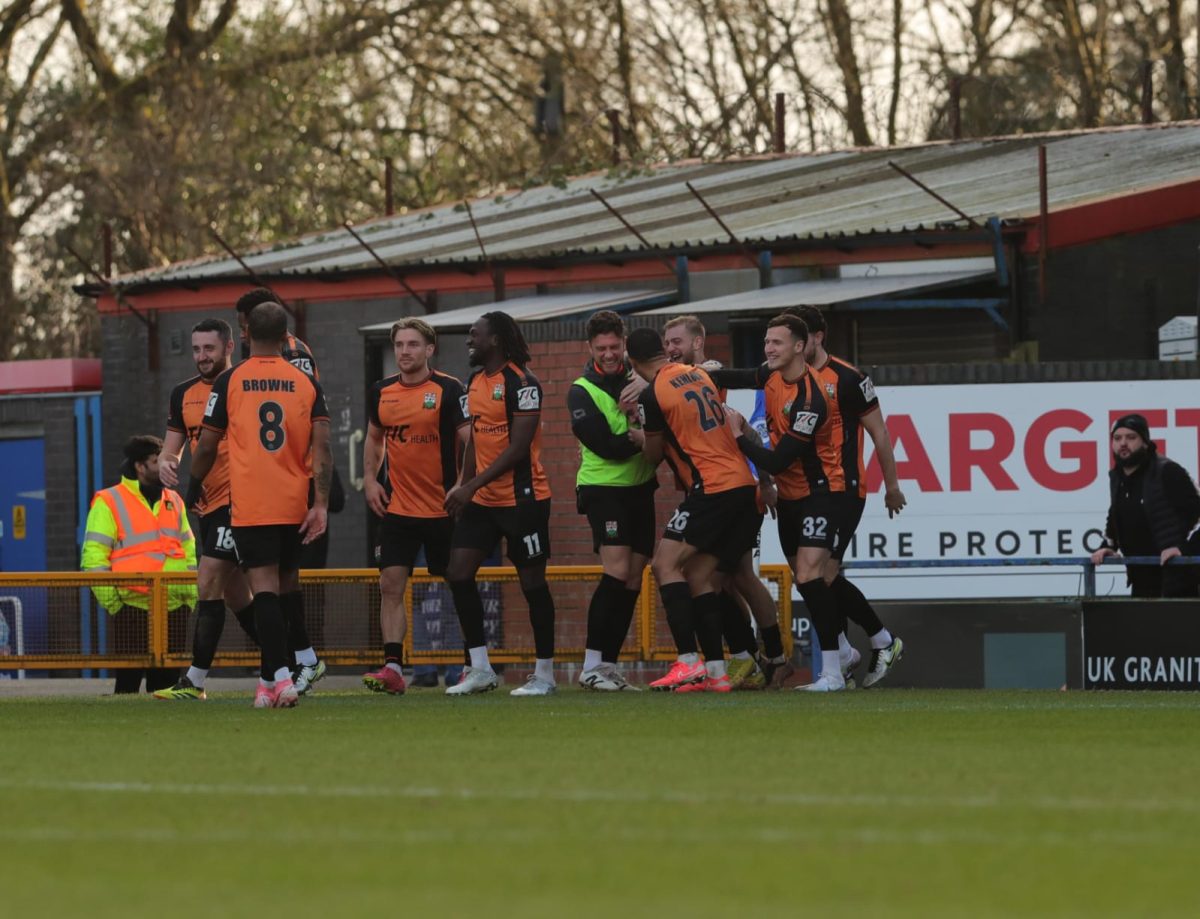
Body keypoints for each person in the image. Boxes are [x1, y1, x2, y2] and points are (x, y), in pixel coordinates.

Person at [190, 301, 333, 708]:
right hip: (294, 501)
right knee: (286, 585)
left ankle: (282, 680)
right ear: (285, 335)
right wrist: (320, 504)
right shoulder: (306, 382)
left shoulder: (230, 381)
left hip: (252, 502)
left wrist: (193, 484)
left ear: (247, 333)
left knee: (264, 590)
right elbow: (323, 451)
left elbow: (206, 446)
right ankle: (273, 679)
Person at [628, 327, 761, 693]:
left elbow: (653, 454)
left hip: (712, 488)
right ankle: (716, 672)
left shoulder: (652, 393)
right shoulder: (698, 374)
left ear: (633, 362)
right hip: (742, 483)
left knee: (664, 565)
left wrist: (639, 436)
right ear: (662, 350)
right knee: (700, 575)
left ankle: (688, 661)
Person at [662, 315, 791, 689]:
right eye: (667, 343)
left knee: (724, 577)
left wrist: (765, 482)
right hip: (715, 494)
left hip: (730, 493)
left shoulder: (706, 377)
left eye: (677, 342)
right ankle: (758, 658)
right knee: (727, 578)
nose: (671, 349)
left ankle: (753, 658)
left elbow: (743, 425)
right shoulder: (680, 380)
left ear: (697, 342)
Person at [782, 305, 906, 688]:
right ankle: (848, 651)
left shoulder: (849, 378)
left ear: (817, 338)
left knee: (823, 573)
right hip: (801, 490)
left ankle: (879, 641)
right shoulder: (785, 377)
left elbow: (880, 432)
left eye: (799, 338)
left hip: (843, 489)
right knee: (808, 576)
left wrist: (892, 486)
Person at [443, 311, 558, 696]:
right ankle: (480, 669)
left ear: (495, 339)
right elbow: (475, 441)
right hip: (483, 501)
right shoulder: (474, 382)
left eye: (474, 334)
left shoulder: (523, 383)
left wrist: (470, 486)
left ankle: (544, 675)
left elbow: (518, 448)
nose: (469, 341)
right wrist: (464, 485)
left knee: (532, 584)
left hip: (524, 501)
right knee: (458, 573)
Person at [361, 317, 471, 695]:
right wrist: (370, 480)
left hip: (444, 509)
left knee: (459, 584)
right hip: (398, 510)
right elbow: (374, 438)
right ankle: (393, 668)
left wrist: (463, 484)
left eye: (412, 345)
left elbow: (471, 440)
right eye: (399, 345)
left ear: (429, 349)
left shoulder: (449, 389)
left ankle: (471, 665)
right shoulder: (381, 391)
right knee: (390, 584)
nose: (404, 352)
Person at [154, 318, 257, 700]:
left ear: (229, 347)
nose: (202, 356)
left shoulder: (246, 386)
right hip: (207, 505)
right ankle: (293, 661)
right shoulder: (183, 393)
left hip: (241, 501)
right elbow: (172, 449)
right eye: (196, 349)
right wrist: (166, 463)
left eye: (209, 349)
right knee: (236, 596)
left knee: (208, 579)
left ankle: (194, 681)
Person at [234, 287, 326, 693]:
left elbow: (305, 417)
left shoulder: (290, 355)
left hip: (285, 478)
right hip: (281, 478)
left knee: (270, 583)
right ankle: (298, 661)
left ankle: (284, 670)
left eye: (244, 325)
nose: (241, 333)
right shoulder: (277, 355)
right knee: (280, 581)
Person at [568, 310, 655, 691]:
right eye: (601, 348)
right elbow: (605, 446)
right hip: (603, 489)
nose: (608, 354)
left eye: (614, 347)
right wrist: (643, 437)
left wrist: (647, 393)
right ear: (590, 347)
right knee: (616, 571)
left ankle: (608, 666)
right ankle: (590, 665)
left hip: (642, 488)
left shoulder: (642, 379)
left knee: (633, 578)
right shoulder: (581, 390)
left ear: (624, 344)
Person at [81, 435, 197, 694]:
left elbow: (188, 550)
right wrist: (115, 605)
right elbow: (94, 558)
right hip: (132, 606)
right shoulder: (109, 500)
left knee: (167, 688)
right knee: (127, 685)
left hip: (173, 606)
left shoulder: (174, 499)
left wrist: (189, 598)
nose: (165, 466)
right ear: (139, 466)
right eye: (157, 462)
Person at [1091, 414, 1200, 597]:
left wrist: (1183, 549)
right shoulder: (1117, 477)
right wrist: (1108, 546)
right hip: (1140, 578)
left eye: (1131, 437)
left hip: (1177, 579)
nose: (1123, 443)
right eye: (1117, 438)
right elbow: (1117, 515)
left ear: (1145, 442)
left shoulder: (1168, 471)